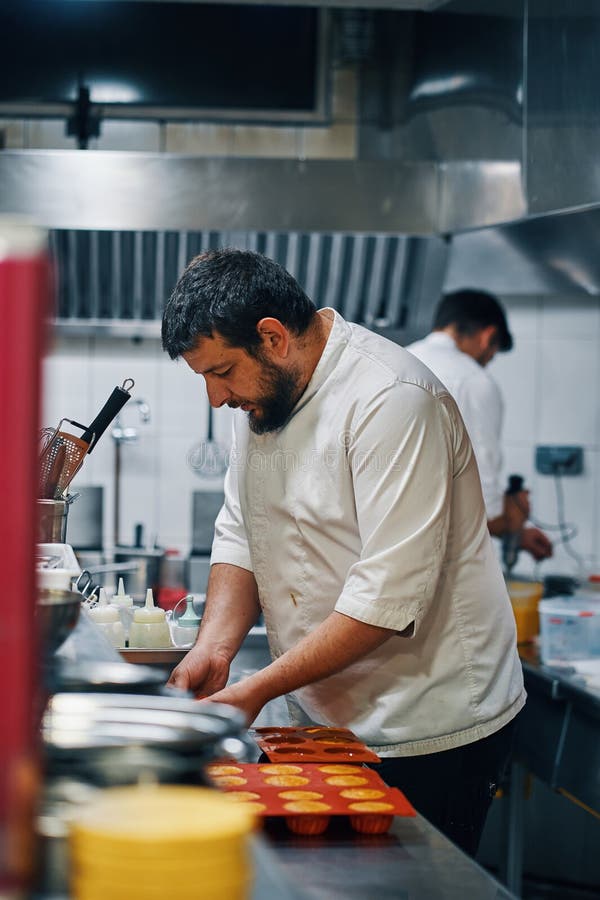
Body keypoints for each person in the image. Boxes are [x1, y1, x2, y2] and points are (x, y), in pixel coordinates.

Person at [161, 249, 526, 857]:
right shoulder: (262, 398)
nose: (215, 397)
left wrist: (255, 690)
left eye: (221, 372)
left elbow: (385, 599)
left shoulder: (393, 398)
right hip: (321, 721)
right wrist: (215, 647)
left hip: (427, 726)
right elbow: (241, 531)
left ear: (273, 338)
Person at [407, 289, 553, 564]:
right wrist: (513, 520)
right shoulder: (473, 381)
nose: (487, 361)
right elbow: (483, 506)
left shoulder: (397, 360)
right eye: (492, 354)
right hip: (438, 563)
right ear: (488, 336)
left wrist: (518, 535)